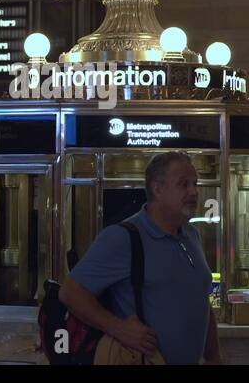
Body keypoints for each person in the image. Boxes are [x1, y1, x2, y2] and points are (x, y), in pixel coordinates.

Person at [59, 152, 220, 365]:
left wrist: (214, 357)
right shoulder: (123, 237)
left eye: (194, 183)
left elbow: (201, 303)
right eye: (183, 184)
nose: (194, 191)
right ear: (158, 189)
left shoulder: (192, 235)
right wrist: (119, 328)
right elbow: (70, 292)